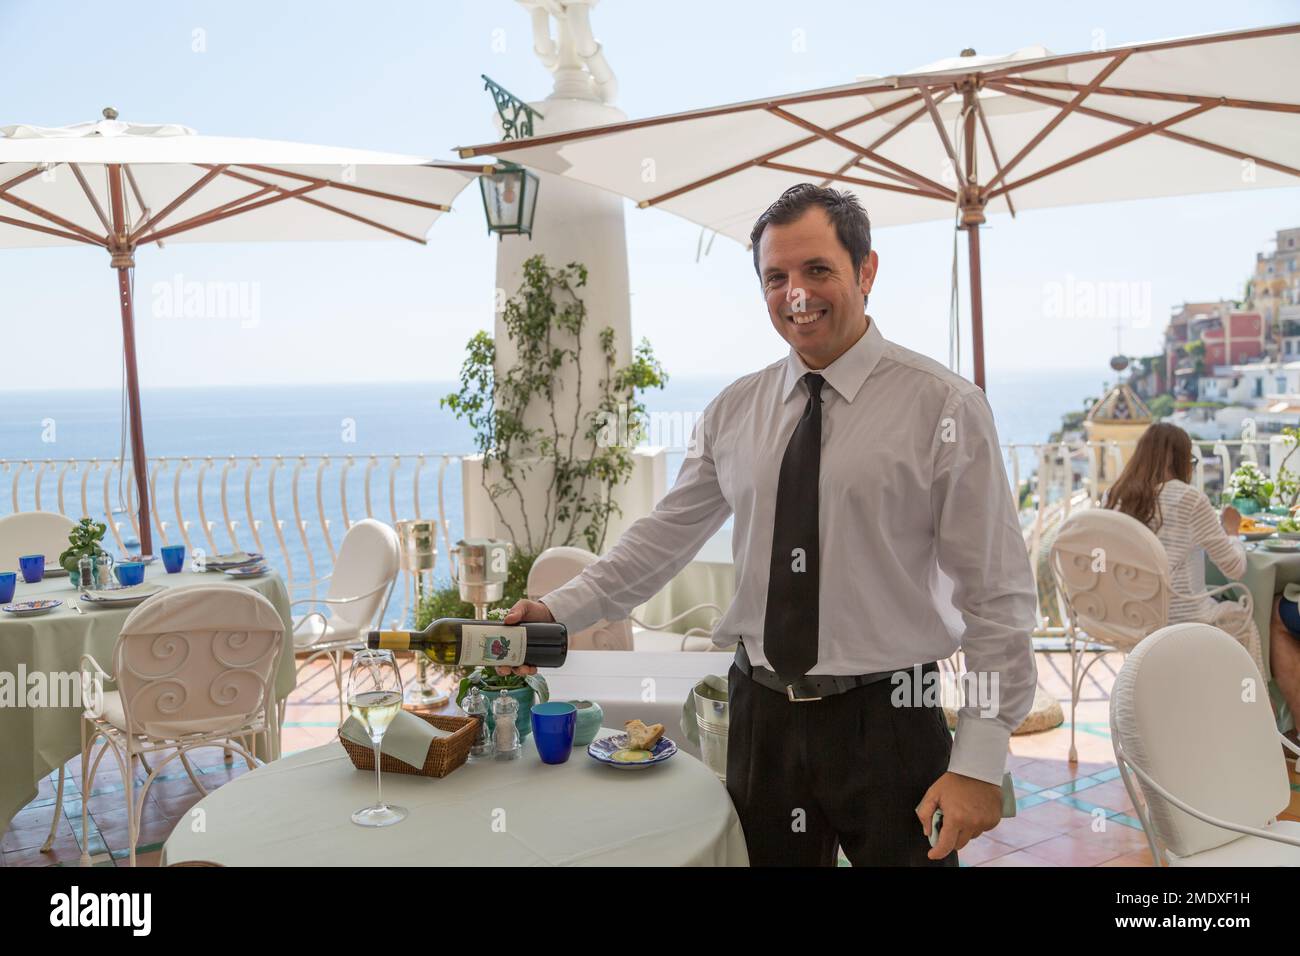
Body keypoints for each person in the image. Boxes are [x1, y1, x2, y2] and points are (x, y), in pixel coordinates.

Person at [499, 183, 1038, 866]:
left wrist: (981, 761)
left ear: (866, 271)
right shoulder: (735, 410)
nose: (796, 295)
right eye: (775, 277)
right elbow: (665, 535)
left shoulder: (944, 407)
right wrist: (558, 607)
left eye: (818, 270)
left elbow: (997, 594)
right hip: (761, 716)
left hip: (892, 719)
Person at [1103, 423, 1265, 677]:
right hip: (1183, 621)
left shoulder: (1115, 496)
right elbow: (1235, 569)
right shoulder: (1190, 499)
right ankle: (1248, 706)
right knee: (1244, 619)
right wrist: (1232, 531)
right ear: (1179, 460)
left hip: (1129, 619)